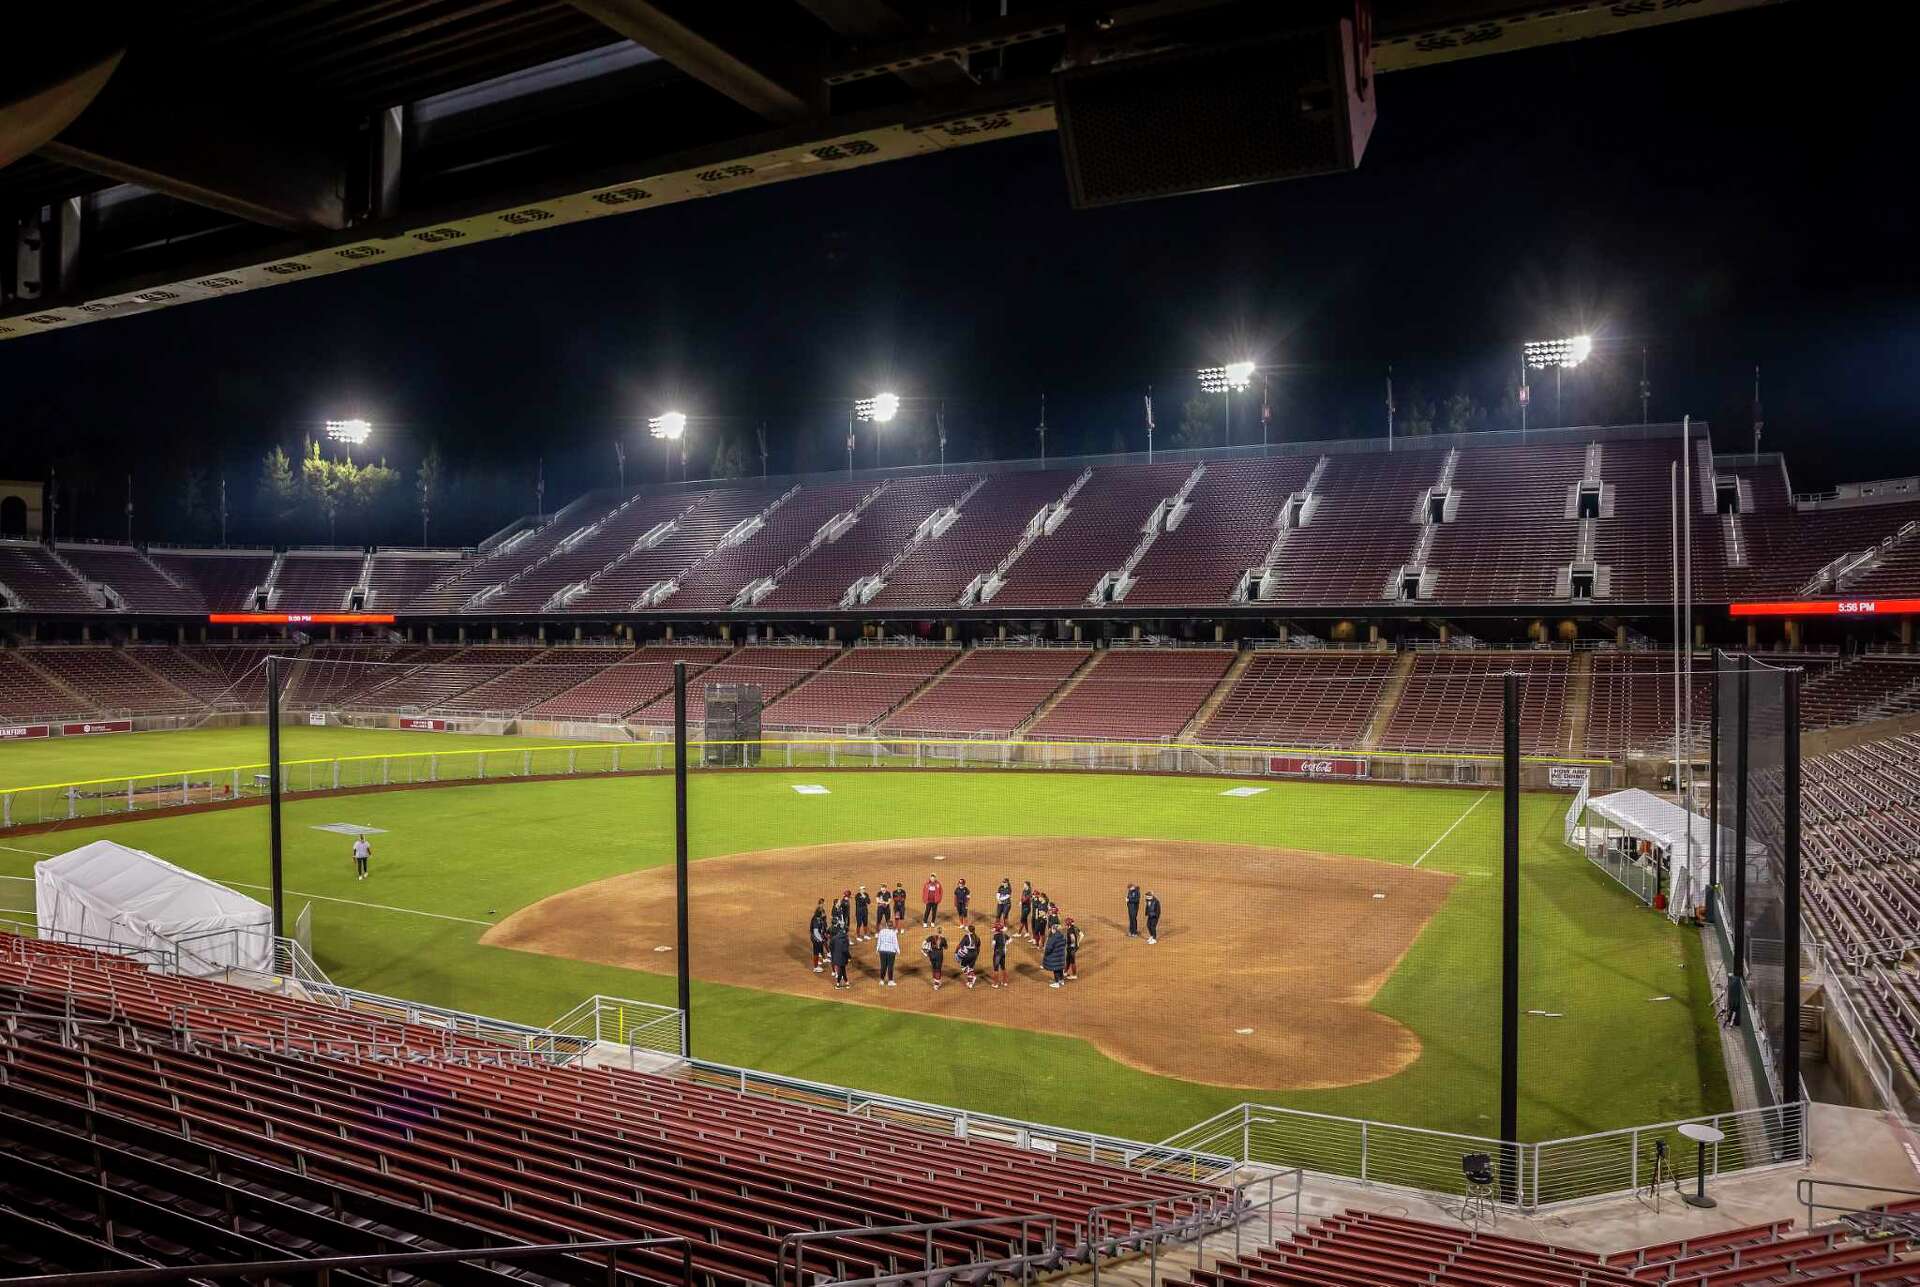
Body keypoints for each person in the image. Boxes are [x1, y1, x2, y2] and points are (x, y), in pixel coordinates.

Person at [1042, 923, 1068, 987]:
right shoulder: (1063, 936)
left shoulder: (1053, 937)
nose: (1051, 930)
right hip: (1061, 956)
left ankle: (1056, 983)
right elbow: (1065, 943)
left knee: (1055, 968)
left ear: (1054, 930)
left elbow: (1049, 948)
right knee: (1060, 968)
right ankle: (1061, 981)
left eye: (1052, 929)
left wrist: (1046, 952)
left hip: (1054, 956)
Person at [956, 923, 981, 989]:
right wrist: (976, 955)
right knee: (970, 968)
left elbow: (959, 946)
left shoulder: (966, 937)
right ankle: (972, 979)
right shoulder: (977, 937)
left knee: (963, 966)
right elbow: (978, 948)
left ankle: (971, 980)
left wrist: (956, 953)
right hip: (975, 954)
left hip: (968, 954)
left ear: (969, 930)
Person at [875, 922, 900, 987]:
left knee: (883, 966)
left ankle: (882, 980)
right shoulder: (893, 933)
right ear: (892, 926)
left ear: (886, 925)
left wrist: (877, 949)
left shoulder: (882, 931)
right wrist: (898, 950)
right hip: (891, 951)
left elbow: (879, 941)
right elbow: (895, 942)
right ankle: (890, 981)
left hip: (882, 951)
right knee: (890, 966)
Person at [830, 919, 852, 989]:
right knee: (841, 971)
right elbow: (845, 950)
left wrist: (833, 952)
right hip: (842, 957)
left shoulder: (835, 938)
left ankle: (846, 982)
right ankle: (838, 984)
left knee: (842, 969)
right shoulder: (845, 939)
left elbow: (830, 945)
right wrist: (849, 957)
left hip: (836, 956)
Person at [809, 899, 829, 973]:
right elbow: (816, 932)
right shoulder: (816, 920)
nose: (824, 914)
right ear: (819, 914)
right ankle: (815, 967)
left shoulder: (818, 918)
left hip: (817, 937)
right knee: (816, 952)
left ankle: (818, 962)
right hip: (815, 938)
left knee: (819, 949)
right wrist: (821, 939)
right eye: (822, 913)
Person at [990, 919, 1010, 989]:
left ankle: (995, 984)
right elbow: (1010, 939)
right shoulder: (1004, 935)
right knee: (1003, 967)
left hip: (997, 953)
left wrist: (994, 946)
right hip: (1003, 953)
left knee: (996, 969)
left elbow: (993, 944)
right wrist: (1005, 944)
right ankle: (1005, 982)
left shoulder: (996, 936)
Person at [1064, 917, 1081, 981]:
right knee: (1068, 959)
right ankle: (1065, 972)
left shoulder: (1070, 930)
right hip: (1073, 947)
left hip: (1071, 948)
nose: (1065, 924)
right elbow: (1082, 935)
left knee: (1072, 961)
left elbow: (1073, 938)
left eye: (1066, 923)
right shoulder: (1075, 927)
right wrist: (1078, 943)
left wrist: (1073, 945)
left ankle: (1074, 975)